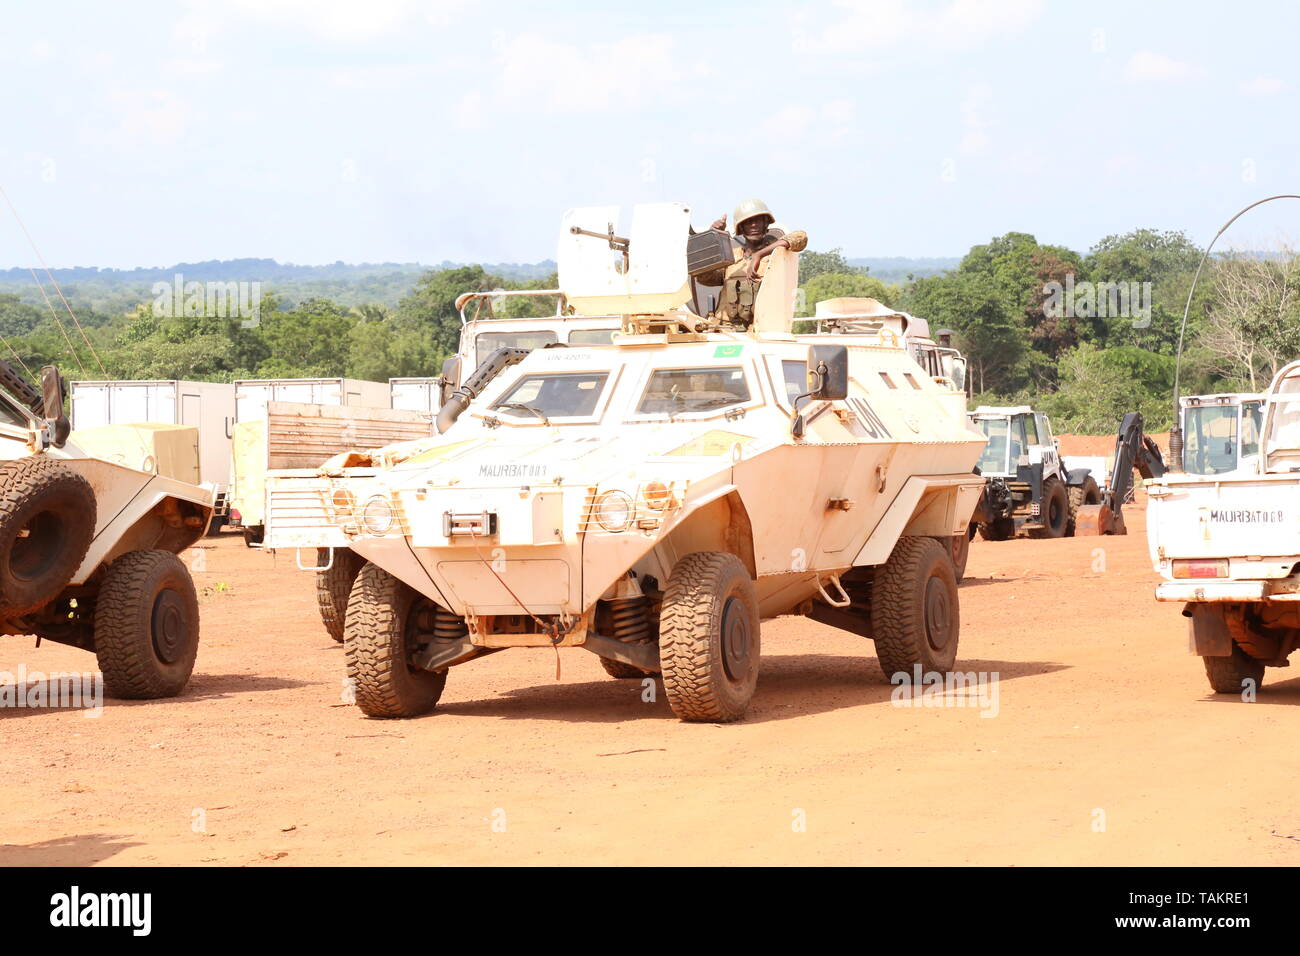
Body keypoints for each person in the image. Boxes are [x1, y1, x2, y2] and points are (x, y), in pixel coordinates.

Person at [698, 199, 807, 328]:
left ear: (766, 223)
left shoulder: (778, 255)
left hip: (763, 329)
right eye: (748, 222)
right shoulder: (731, 258)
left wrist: (759, 255)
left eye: (758, 221)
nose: (754, 225)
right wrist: (711, 238)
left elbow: (800, 237)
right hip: (726, 329)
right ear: (741, 228)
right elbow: (705, 278)